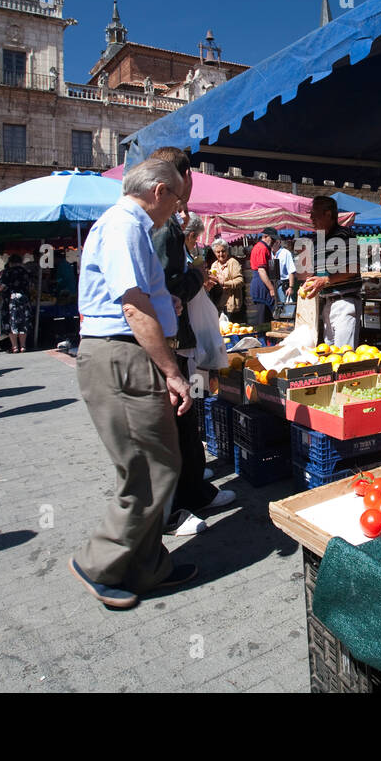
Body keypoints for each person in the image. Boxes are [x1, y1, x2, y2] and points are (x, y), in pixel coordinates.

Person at [70, 158, 197, 608]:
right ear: (160, 191)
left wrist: (168, 307)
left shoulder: (129, 228)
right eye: (178, 200)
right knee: (150, 465)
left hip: (125, 353)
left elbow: (142, 299)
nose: (178, 212)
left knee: (155, 460)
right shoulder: (125, 226)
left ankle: (146, 567)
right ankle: (99, 561)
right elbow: (132, 305)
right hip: (121, 354)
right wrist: (172, 372)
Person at [147, 150, 233, 536]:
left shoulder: (162, 226)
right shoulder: (162, 227)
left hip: (173, 338)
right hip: (171, 340)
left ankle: (194, 487)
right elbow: (167, 286)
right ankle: (184, 498)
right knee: (182, 418)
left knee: (186, 417)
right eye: (190, 177)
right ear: (177, 179)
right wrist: (197, 274)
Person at [298, 195, 362, 348]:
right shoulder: (316, 240)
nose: (311, 217)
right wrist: (310, 281)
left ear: (328, 214)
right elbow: (314, 272)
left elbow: (354, 267)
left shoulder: (345, 235)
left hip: (344, 302)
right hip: (326, 304)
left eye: (314, 213)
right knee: (328, 353)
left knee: (343, 355)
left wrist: (325, 280)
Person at [0, 254, 35, 353]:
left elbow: (1, 287)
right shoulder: (26, 272)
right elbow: (31, 287)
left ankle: (15, 347)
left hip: (11, 299)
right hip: (24, 299)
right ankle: (23, 346)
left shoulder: (6, 272)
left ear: (10, 263)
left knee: (11, 322)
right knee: (23, 322)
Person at [248, 227, 280, 325]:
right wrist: (271, 288)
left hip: (262, 283)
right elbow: (261, 270)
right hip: (261, 285)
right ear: (265, 237)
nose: (274, 241)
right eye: (272, 238)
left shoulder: (263, 248)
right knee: (262, 321)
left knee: (266, 318)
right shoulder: (261, 248)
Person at [209, 240, 245, 324]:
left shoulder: (233, 262)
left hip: (232, 305)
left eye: (223, 251)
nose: (221, 254)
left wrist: (224, 283)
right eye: (218, 252)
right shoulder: (214, 265)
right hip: (219, 305)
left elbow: (240, 281)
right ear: (214, 252)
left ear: (227, 251)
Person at [275, 237, 297, 314]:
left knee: (288, 310)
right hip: (274, 285)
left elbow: (291, 270)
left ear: (278, 242)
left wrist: (290, 287)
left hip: (284, 285)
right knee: (278, 310)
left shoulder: (285, 253)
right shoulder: (270, 253)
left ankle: (289, 324)